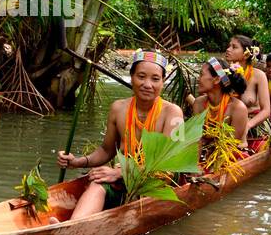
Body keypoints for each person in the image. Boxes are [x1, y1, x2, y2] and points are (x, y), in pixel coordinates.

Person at [56, 50, 184, 220]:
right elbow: (106, 150)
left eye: (155, 79)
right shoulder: (118, 108)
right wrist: (79, 162)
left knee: (136, 189)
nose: (147, 84)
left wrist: (120, 172)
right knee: (97, 183)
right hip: (123, 178)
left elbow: (171, 163)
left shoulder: (174, 112)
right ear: (131, 77)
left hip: (156, 180)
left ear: (163, 82)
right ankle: (71, 228)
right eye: (141, 76)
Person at [222, 34, 271, 140]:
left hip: (254, 126)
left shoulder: (259, 76)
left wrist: (247, 125)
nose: (228, 49)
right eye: (229, 46)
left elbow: (266, 111)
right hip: (227, 125)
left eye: (234, 47)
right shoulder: (223, 74)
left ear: (246, 55)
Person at [190, 58, 250, 142]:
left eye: (201, 74)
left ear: (217, 79)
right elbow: (196, 139)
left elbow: (231, 145)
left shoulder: (238, 108)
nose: (198, 78)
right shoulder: (198, 103)